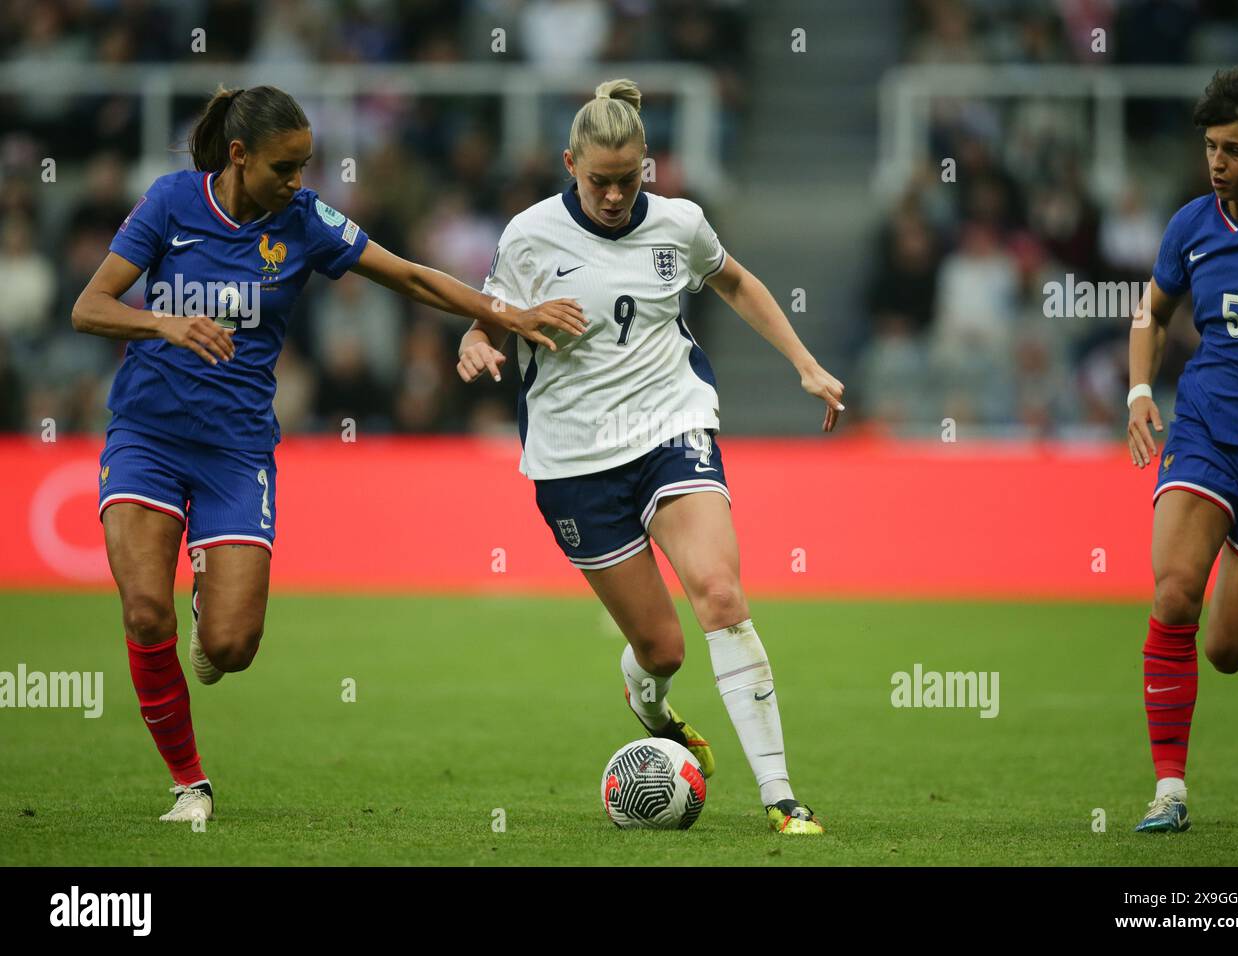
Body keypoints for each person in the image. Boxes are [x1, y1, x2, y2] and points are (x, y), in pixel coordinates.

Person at [71, 85, 585, 823]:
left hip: (236, 448)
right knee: (144, 611)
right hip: (147, 434)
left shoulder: (305, 221)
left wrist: (507, 314)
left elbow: (408, 273)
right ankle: (190, 783)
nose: (297, 180)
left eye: (306, 164)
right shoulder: (170, 202)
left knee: (232, 647)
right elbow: (90, 307)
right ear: (239, 157)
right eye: (285, 166)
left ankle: (208, 600)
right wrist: (165, 325)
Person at [456, 79, 845, 835]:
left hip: (672, 426)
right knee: (662, 648)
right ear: (570, 164)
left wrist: (802, 361)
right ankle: (649, 699)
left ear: (649, 168)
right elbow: (488, 316)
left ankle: (780, 795)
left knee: (721, 594)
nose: (611, 195)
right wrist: (477, 344)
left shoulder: (680, 223)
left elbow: (733, 279)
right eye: (597, 180)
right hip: (574, 461)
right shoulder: (531, 236)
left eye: (627, 180)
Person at [1127, 65, 1238, 833]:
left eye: (1234, 148)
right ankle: (1169, 790)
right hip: (1202, 429)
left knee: (1228, 650)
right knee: (1172, 595)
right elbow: (1152, 312)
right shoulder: (1191, 224)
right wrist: (1139, 392)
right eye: (1210, 146)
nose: (1219, 161)